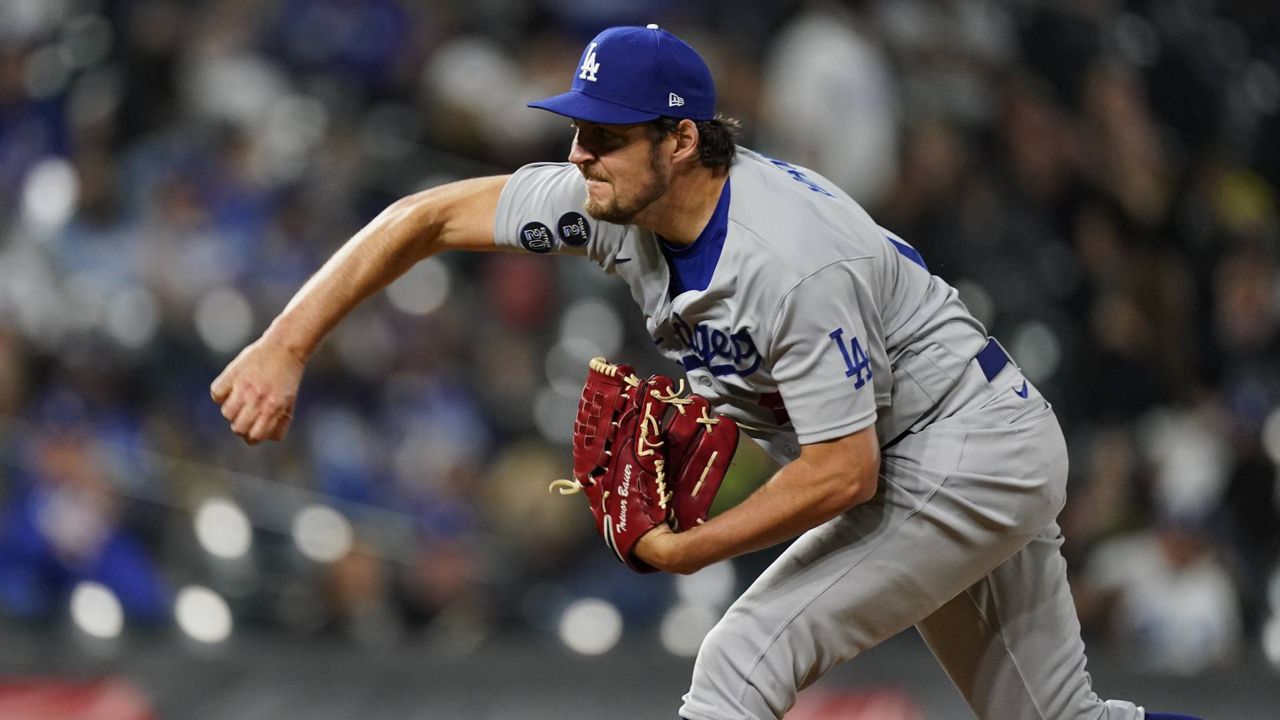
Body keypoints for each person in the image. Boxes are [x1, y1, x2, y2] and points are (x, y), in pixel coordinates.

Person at [210, 25, 1200, 720]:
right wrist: (284, 343)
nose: (576, 152)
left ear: (680, 140)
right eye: (576, 126)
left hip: (955, 450)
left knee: (736, 664)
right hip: (940, 441)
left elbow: (842, 475)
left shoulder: (780, 261)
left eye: (603, 134)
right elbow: (424, 216)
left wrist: (693, 549)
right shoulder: (608, 201)